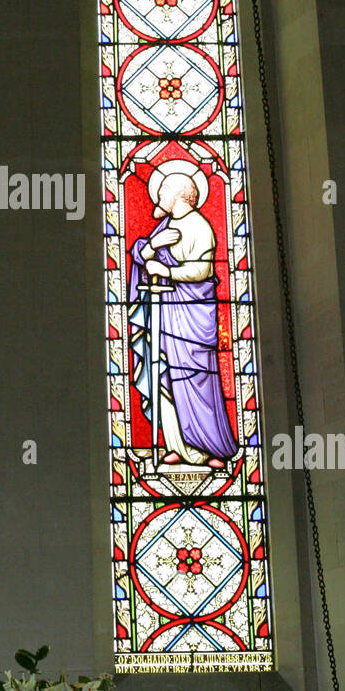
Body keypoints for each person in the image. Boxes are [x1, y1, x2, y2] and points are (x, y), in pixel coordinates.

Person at [128, 160, 237, 467]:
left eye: (162, 192)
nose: (156, 197)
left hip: (192, 316)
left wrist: (166, 270)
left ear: (178, 196)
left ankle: (211, 446)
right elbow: (140, 254)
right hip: (165, 312)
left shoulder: (200, 228)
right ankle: (178, 442)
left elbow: (202, 270)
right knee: (166, 375)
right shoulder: (165, 227)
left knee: (196, 377)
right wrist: (153, 245)